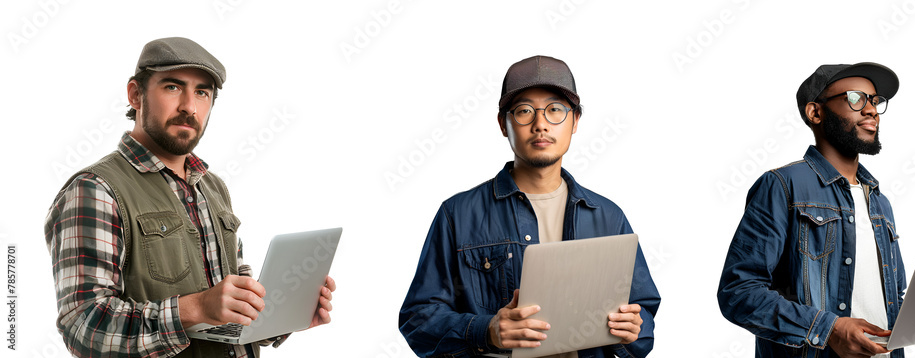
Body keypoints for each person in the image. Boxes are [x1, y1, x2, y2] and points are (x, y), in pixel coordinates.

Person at [44, 37, 335, 358]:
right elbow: (83, 327)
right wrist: (195, 307)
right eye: (172, 87)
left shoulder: (213, 187)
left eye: (202, 92)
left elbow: (231, 306)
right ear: (135, 95)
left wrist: (284, 313)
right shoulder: (95, 189)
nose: (189, 106)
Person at [398, 55, 660, 357]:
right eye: (524, 111)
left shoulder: (608, 216)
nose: (540, 125)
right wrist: (487, 331)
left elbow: (643, 317)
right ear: (503, 124)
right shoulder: (457, 214)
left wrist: (631, 332)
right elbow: (418, 320)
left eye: (555, 110)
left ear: (575, 122)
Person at [717, 62, 906, 358]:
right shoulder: (781, 185)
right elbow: (738, 293)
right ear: (815, 112)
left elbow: (893, 295)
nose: (870, 109)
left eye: (875, 100)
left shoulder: (879, 202)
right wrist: (828, 329)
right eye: (856, 98)